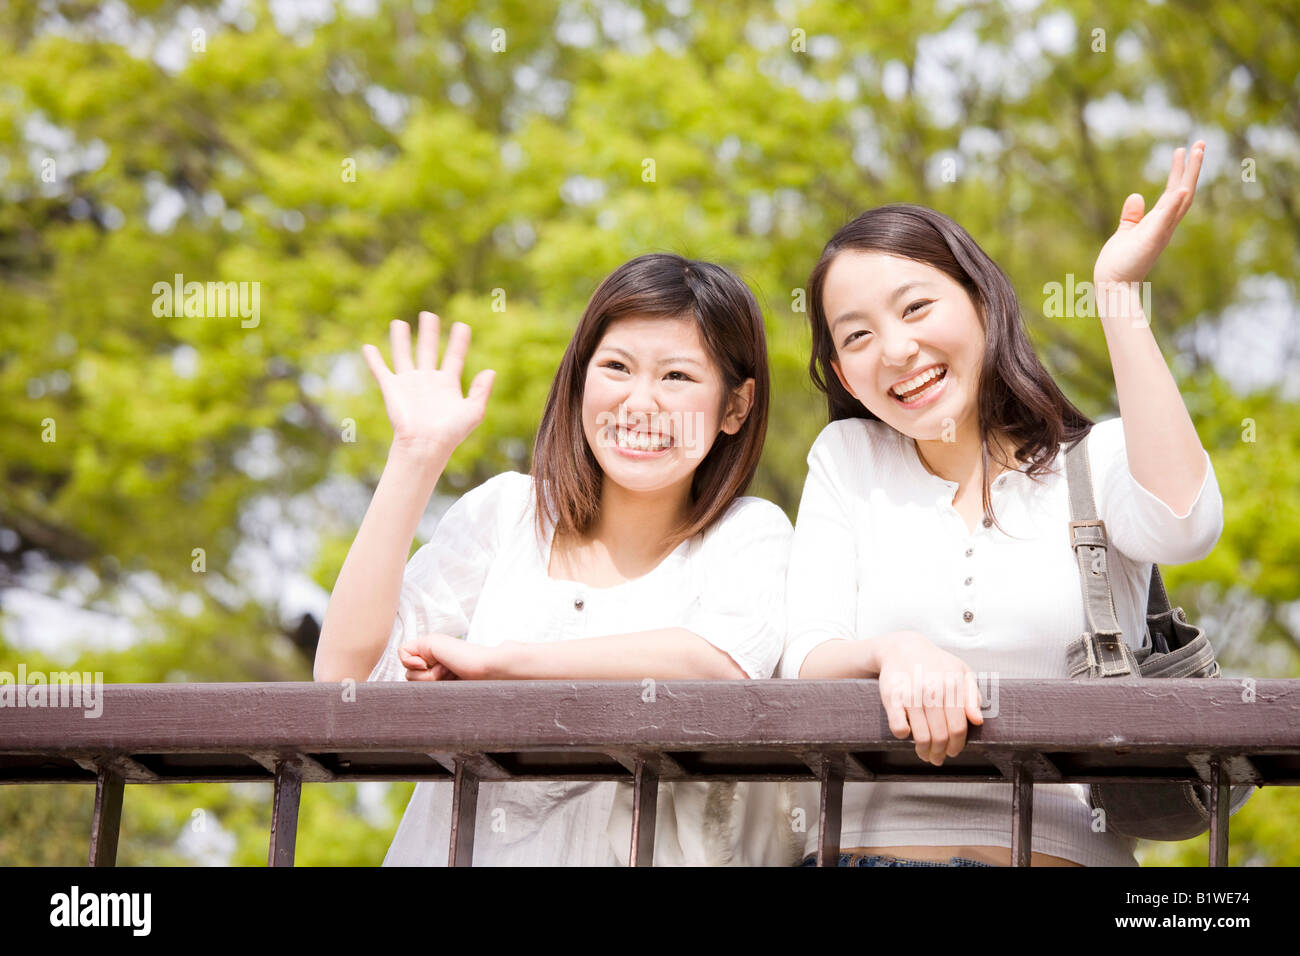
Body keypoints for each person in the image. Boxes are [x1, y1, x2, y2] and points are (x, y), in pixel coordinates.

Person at [781, 142, 1224, 867]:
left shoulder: (1097, 463)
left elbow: (1187, 524)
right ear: (842, 374)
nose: (896, 349)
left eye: (918, 307)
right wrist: (896, 651)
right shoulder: (847, 461)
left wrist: (1117, 299)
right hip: (865, 852)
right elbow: (803, 656)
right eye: (857, 335)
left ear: (984, 303)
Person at [314, 252, 800, 866]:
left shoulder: (749, 534)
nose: (640, 402)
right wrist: (415, 455)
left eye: (677, 376)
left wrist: (499, 667)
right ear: (580, 380)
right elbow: (345, 678)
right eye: (616, 367)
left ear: (735, 406)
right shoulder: (507, 513)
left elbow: (720, 663)